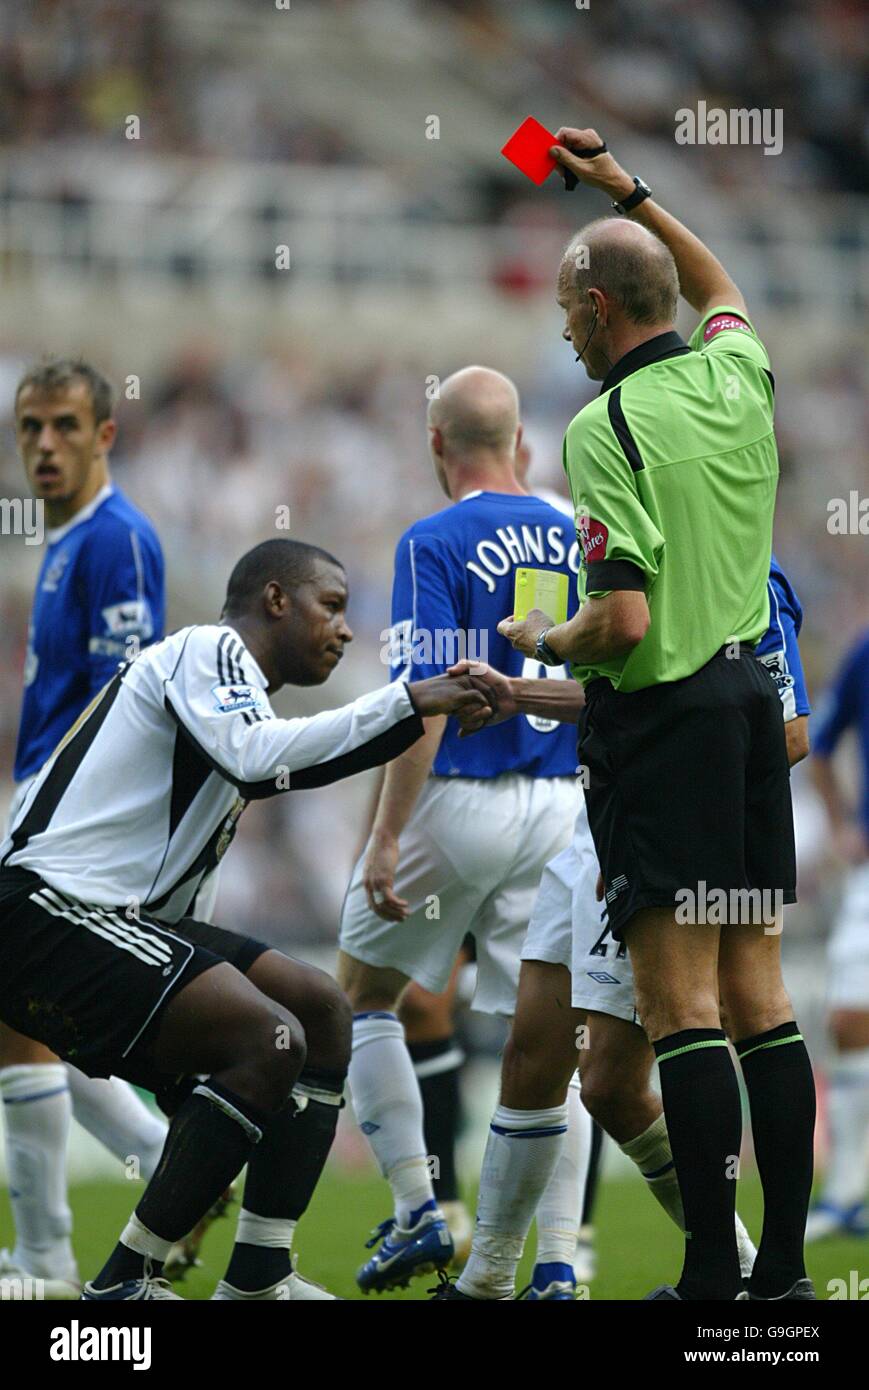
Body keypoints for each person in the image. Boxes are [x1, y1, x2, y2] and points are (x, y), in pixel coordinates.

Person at [488, 123, 814, 1303]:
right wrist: (627, 187)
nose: (562, 331)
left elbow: (618, 627)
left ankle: (702, 1277)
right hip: (750, 705)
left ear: (591, 303)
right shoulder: (736, 372)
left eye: (569, 311)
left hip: (666, 720)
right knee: (760, 1003)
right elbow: (717, 283)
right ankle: (777, 1269)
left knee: (682, 1009)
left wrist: (541, 637)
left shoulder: (598, 429)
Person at [0, 538, 489, 1300]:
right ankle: (124, 1283)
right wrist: (409, 700)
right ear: (274, 599)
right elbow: (259, 761)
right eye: (331, 605)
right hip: (48, 911)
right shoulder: (209, 648)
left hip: (116, 920)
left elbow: (199, 873)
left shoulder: (237, 702)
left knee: (321, 1009)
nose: (345, 629)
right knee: (271, 1036)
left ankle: (260, 1274)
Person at [433, 551, 810, 1300]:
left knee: (616, 1075)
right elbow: (626, 687)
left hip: (657, 823)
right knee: (533, 1053)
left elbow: (787, 729)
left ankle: (732, 1263)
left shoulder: (744, 575)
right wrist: (520, 691)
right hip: (592, 823)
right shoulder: (632, 562)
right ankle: (489, 1280)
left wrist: (547, 642)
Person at [336, 366, 587, 1295]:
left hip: (464, 797)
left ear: (437, 444)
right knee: (551, 1043)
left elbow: (425, 703)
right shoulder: (575, 529)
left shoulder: (430, 539)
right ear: (520, 444)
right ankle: (558, 1262)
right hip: (563, 806)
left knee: (360, 994)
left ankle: (416, 1211)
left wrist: (387, 834)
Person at [1, 359, 170, 1299]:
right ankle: (154, 1153)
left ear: (106, 434)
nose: (45, 446)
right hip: (39, 808)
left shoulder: (118, 540)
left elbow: (133, 696)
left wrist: (92, 826)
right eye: (31, 429)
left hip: (71, 823)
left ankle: (47, 1260)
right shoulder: (64, 538)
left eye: (65, 426)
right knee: (24, 1019)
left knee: (22, 1017)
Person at [807, 629, 869, 1238]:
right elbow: (818, 745)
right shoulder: (864, 651)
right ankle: (846, 1194)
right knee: (850, 1017)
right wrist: (843, 824)